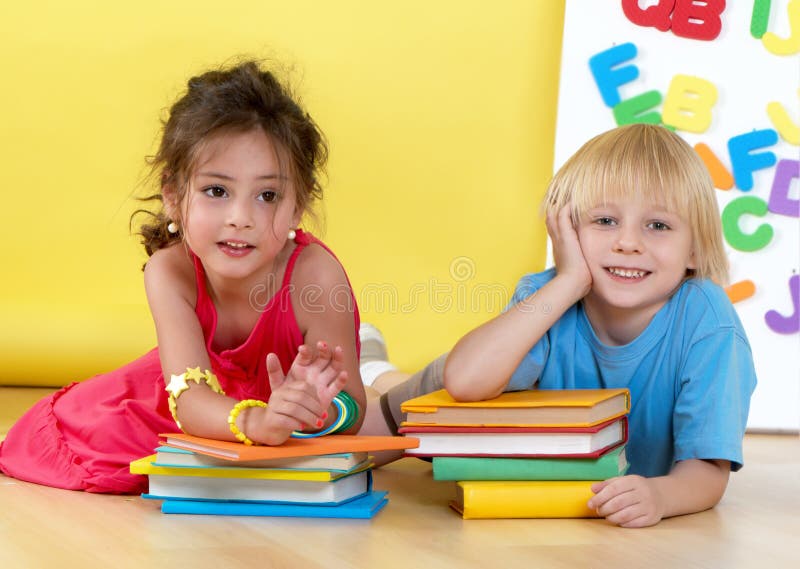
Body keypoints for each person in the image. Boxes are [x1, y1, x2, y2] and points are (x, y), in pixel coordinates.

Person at [363, 123, 757, 527]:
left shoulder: (709, 326)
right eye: (604, 220)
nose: (628, 242)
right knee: (380, 424)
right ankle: (372, 365)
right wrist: (569, 281)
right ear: (567, 227)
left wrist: (661, 495)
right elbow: (462, 382)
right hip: (466, 404)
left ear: (694, 248)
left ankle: (375, 362)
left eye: (657, 226)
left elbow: (708, 470)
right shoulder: (549, 294)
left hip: (534, 445)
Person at [0, 60, 365, 494]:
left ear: (298, 206)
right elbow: (189, 399)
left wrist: (317, 407)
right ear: (173, 196)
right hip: (187, 407)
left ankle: (382, 368)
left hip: (274, 421)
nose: (240, 218)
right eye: (217, 191)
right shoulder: (169, 272)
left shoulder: (315, 279)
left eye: (267, 195)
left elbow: (352, 407)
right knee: (101, 441)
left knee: (376, 432)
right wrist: (258, 420)